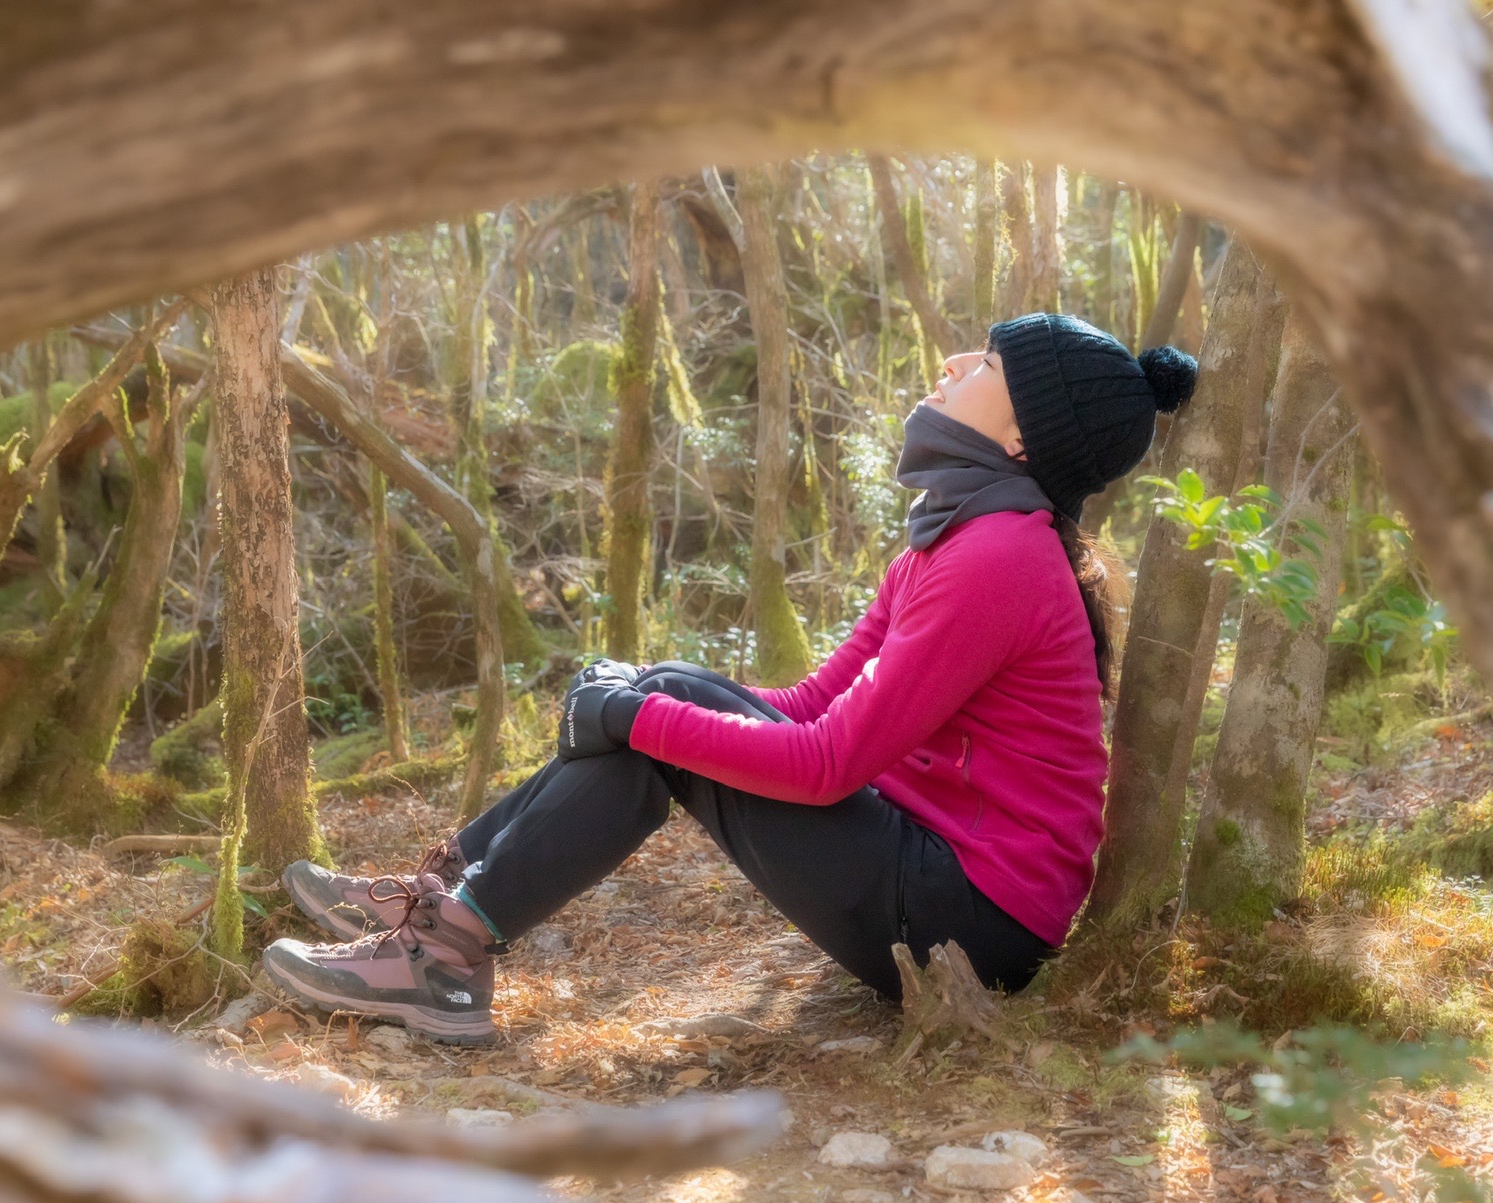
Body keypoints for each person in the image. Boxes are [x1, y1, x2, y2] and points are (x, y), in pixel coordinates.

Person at [262, 314, 1199, 1044]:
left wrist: (634, 717)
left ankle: (443, 948)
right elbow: (805, 706)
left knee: (655, 717)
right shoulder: (955, 536)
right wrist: (644, 698)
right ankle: (444, 905)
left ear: (1028, 436)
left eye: (987, 364)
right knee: (666, 691)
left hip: (971, 917)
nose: (953, 361)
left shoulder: (999, 557)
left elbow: (828, 763)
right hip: (932, 873)